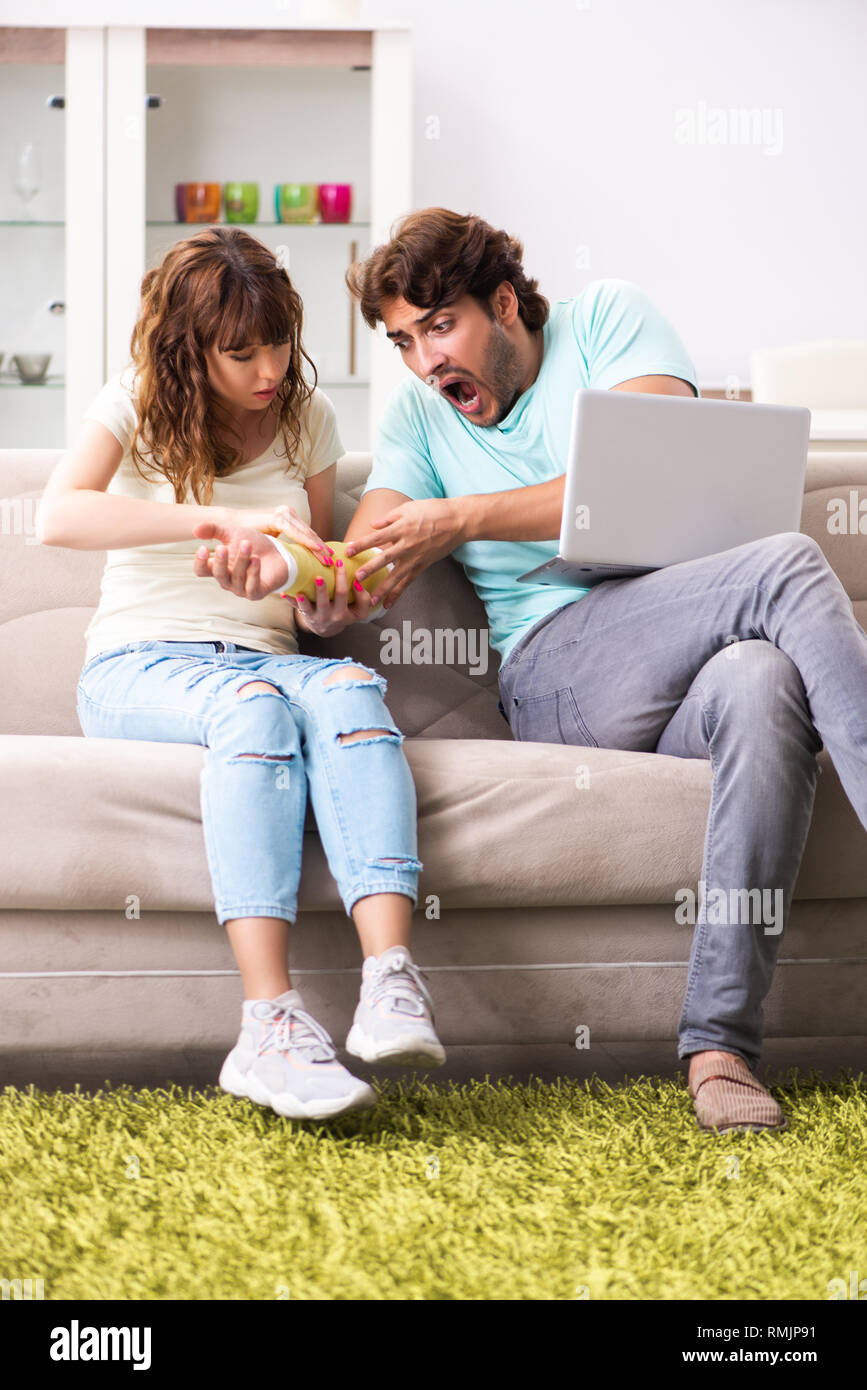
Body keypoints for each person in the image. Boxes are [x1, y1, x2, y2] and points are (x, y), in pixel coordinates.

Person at [295, 205, 867, 1135]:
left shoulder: (606, 319)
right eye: (403, 341)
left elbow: (662, 470)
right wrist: (333, 586)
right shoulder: (417, 417)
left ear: (507, 302)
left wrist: (464, 517)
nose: (424, 361)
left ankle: (719, 1052)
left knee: (763, 679)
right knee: (787, 561)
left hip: (693, 650)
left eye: (440, 326)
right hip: (559, 674)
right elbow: (372, 542)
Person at [36, 226, 444, 1123]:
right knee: (254, 708)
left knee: (346, 687)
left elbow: (319, 582)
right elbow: (58, 516)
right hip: (141, 664)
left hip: (268, 655)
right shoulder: (137, 400)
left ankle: (388, 981)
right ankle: (267, 1025)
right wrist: (222, 523)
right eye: (240, 351)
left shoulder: (308, 418)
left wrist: (323, 592)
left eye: (280, 341)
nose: (269, 367)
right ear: (191, 351)